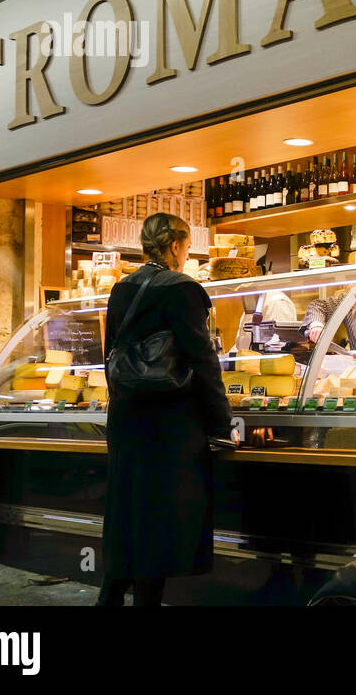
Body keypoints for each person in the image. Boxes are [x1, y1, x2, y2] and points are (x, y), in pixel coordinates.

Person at [98, 213, 233, 606]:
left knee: (129, 518)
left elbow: (112, 357)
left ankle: (109, 600)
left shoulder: (122, 288)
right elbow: (204, 360)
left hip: (126, 422)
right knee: (160, 523)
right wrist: (223, 423)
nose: (186, 254)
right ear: (176, 245)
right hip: (169, 426)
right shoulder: (184, 290)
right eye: (188, 247)